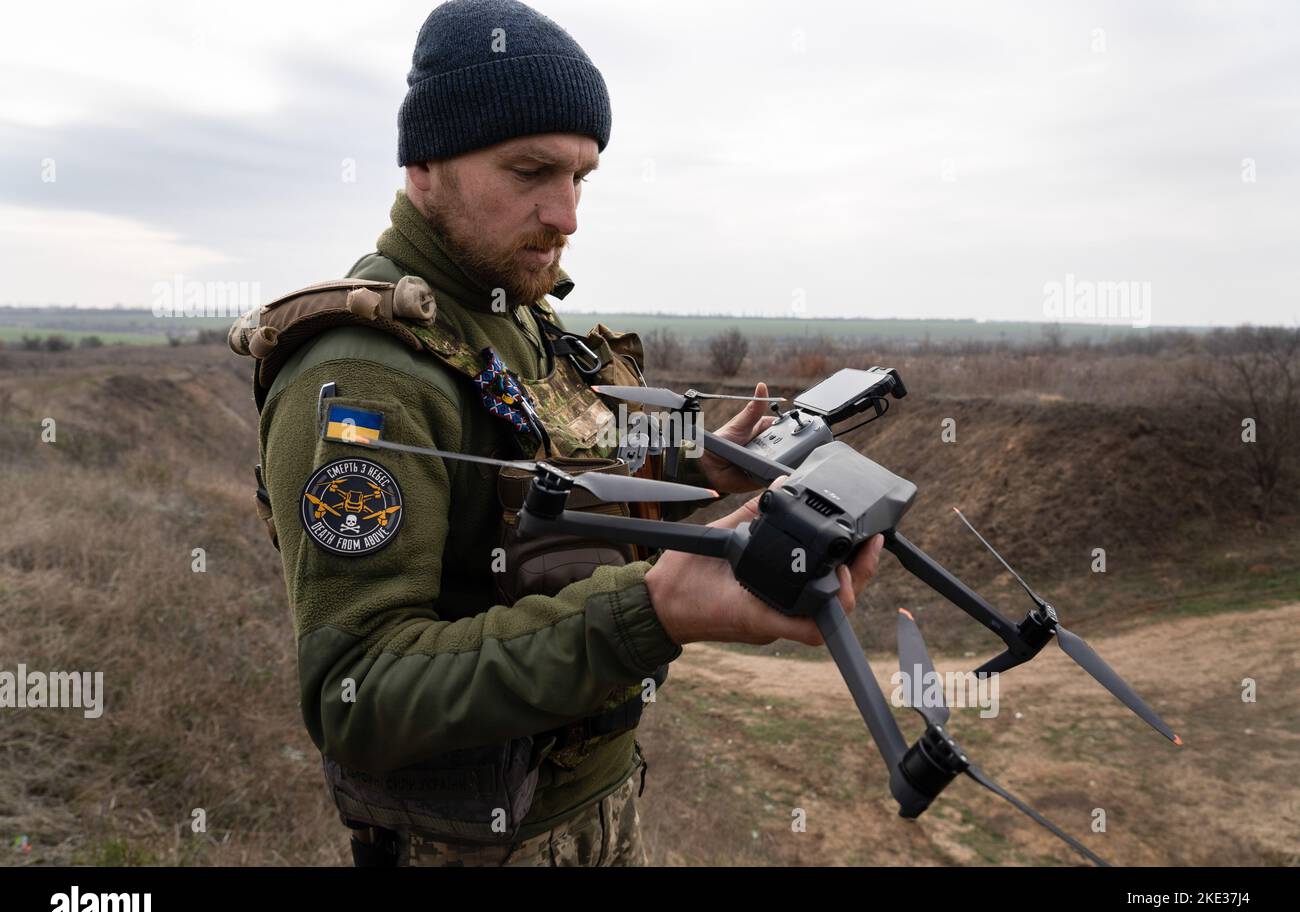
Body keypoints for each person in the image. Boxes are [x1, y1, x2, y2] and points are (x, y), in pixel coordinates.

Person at [241, 0, 883, 867]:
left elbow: (561, 454)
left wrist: (704, 458)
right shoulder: (363, 377)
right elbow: (359, 694)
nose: (567, 212)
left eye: (581, 176)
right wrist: (652, 607)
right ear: (424, 162)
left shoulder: (518, 315)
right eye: (531, 171)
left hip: (595, 806)